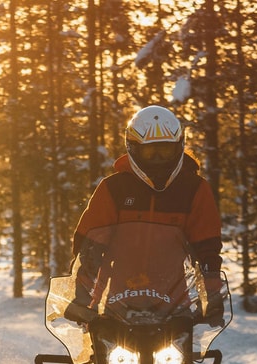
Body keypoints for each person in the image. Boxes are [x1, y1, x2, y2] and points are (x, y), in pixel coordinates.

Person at [70, 105, 224, 325]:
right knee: (100, 357)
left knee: (185, 360)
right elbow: (90, 248)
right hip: (117, 303)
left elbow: (208, 250)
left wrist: (213, 298)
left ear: (179, 147)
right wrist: (81, 298)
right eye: (150, 152)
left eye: (165, 151)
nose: (158, 160)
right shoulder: (114, 189)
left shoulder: (194, 189)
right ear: (133, 149)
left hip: (176, 306)